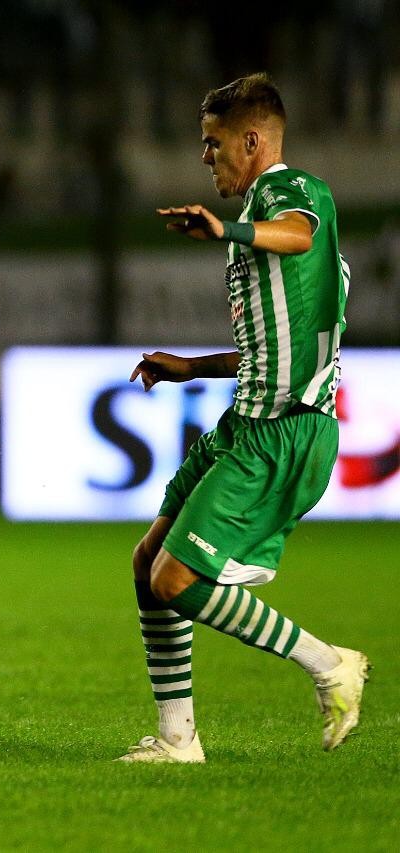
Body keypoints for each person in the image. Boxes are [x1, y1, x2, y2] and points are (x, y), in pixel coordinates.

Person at [119, 73, 368, 763]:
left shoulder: (292, 193)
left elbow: (292, 234)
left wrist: (225, 226)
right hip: (249, 420)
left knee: (178, 579)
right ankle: (178, 740)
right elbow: (275, 345)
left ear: (252, 140)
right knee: (149, 563)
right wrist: (191, 368)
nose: (206, 157)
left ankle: (329, 663)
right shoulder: (265, 217)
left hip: (285, 430)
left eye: (213, 143)